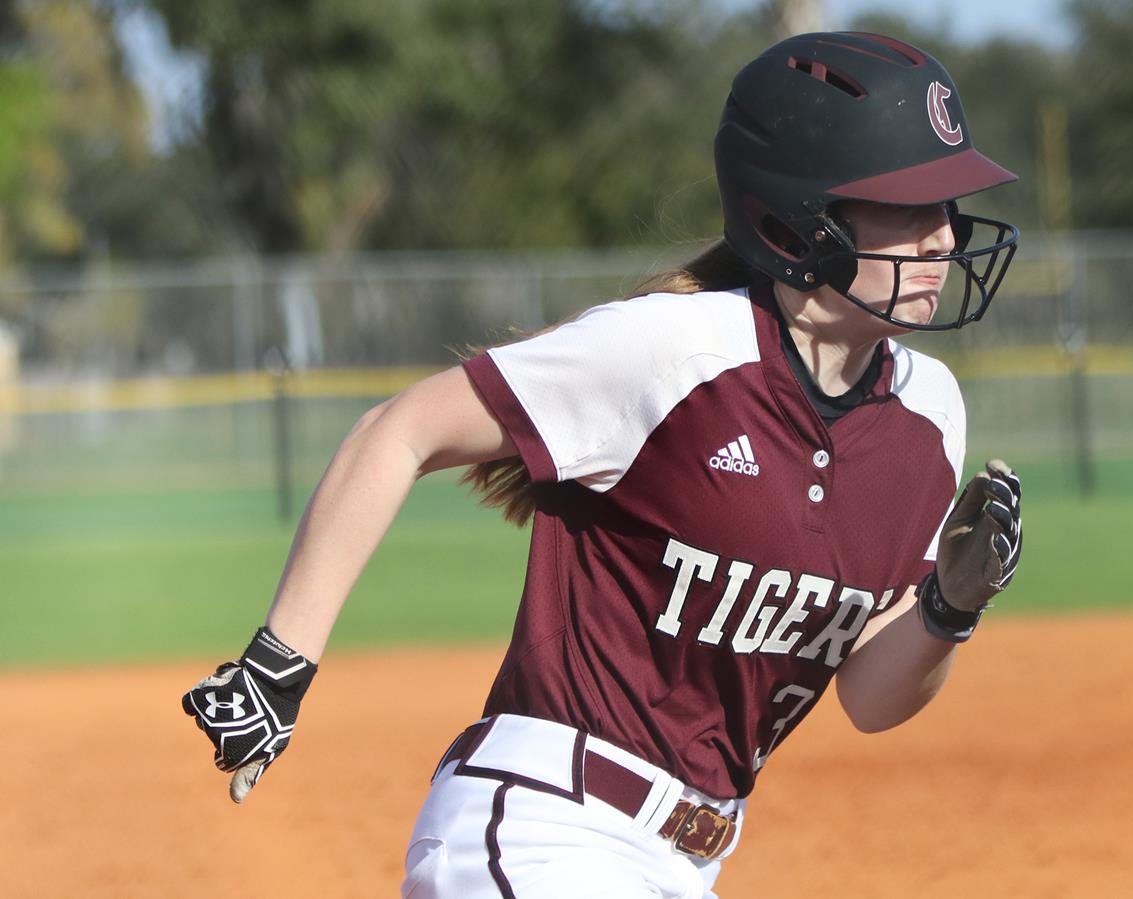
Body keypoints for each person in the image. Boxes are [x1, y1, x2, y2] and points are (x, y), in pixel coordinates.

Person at [182, 30, 1024, 898]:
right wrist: (279, 663)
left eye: (949, 205)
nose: (943, 237)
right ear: (798, 220)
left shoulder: (930, 415)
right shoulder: (676, 350)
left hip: (685, 863)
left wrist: (948, 607)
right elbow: (398, 431)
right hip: (545, 824)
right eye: (907, 204)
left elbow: (869, 699)